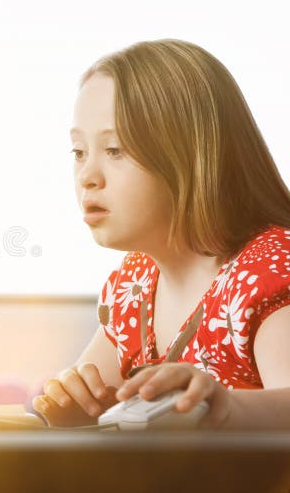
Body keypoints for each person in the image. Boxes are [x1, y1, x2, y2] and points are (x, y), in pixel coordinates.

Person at [32, 39, 290, 429]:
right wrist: (74, 402)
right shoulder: (133, 285)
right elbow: (91, 405)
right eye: (79, 152)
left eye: (115, 150)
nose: (87, 177)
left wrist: (224, 408)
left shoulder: (268, 271)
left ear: (190, 155)